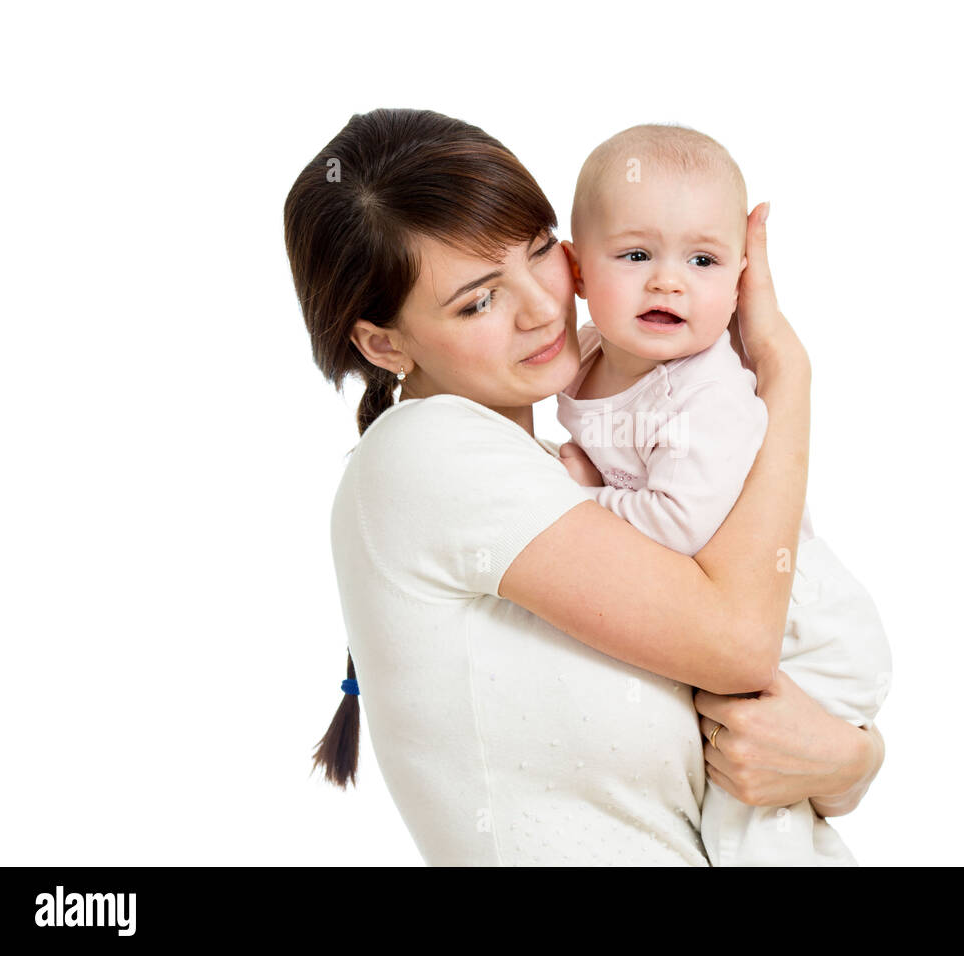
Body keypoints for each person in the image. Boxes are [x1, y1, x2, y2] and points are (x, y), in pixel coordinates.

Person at [283, 108, 885, 866]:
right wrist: (785, 376)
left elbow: (750, 735)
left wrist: (851, 762)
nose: (541, 309)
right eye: (477, 300)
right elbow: (737, 645)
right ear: (383, 342)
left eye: (537, 253)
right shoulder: (426, 450)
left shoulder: (557, 464)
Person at [553, 123, 892, 866]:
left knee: (749, 819)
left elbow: (676, 527)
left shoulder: (707, 394)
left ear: (741, 278)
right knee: (769, 813)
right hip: (742, 622)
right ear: (577, 269)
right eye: (636, 255)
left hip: (803, 631)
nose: (669, 281)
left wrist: (581, 498)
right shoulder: (580, 357)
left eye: (702, 260)